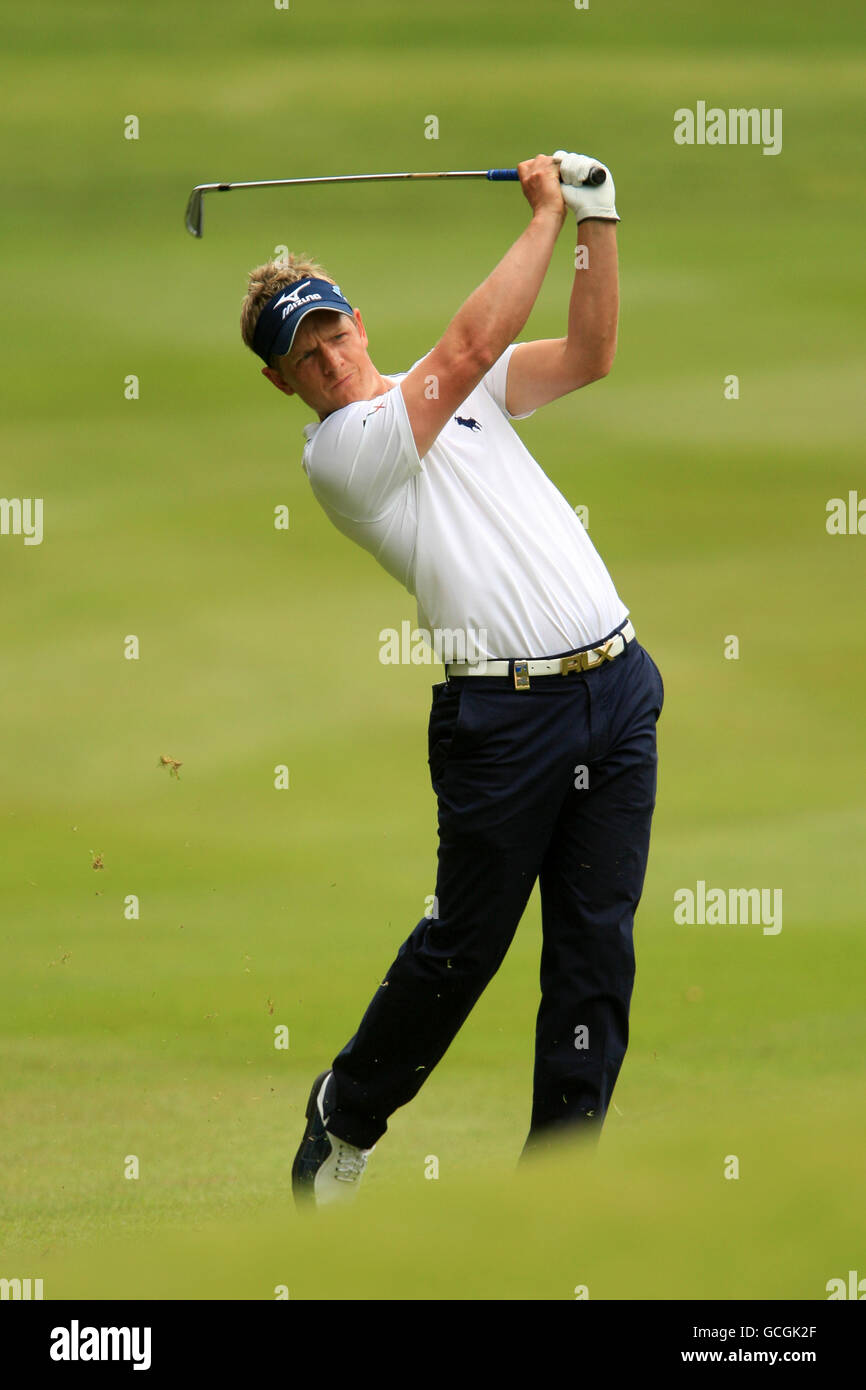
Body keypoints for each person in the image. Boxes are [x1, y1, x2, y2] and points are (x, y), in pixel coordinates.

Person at [238, 151, 664, 1208]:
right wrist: (541, 210)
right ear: (281, 381)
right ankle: (346, 1112)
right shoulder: (344, 454)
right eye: (305, 352)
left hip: (616, 689)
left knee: (593, 954)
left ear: (357, 323)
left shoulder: (466, 394)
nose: (330, 356)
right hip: (502, 723)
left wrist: (594, 221)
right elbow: (471, 339)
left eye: (333, 331)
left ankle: (555, 1190)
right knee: (463, 948)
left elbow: (593, 351)